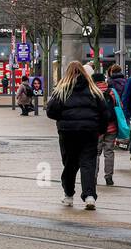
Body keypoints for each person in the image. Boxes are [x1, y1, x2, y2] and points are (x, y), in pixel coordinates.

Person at [46, 60, 113, 210]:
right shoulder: (94, 90)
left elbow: (51, 111)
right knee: (88, 163)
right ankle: (89, 196)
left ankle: (68, 195)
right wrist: (100, 130)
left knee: (70, 164)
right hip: (89, 132)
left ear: (67, 73)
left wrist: (63, 119)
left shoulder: (61, 90)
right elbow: (104, 113)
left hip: (68, 132)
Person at [93, 68, 123, 187]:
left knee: (95, 152)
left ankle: (93, 177)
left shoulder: (92, 91)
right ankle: (109, 177)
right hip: (111, 127)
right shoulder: (112, 91)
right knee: (109, 152)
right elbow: (119, 106)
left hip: (97, 128)